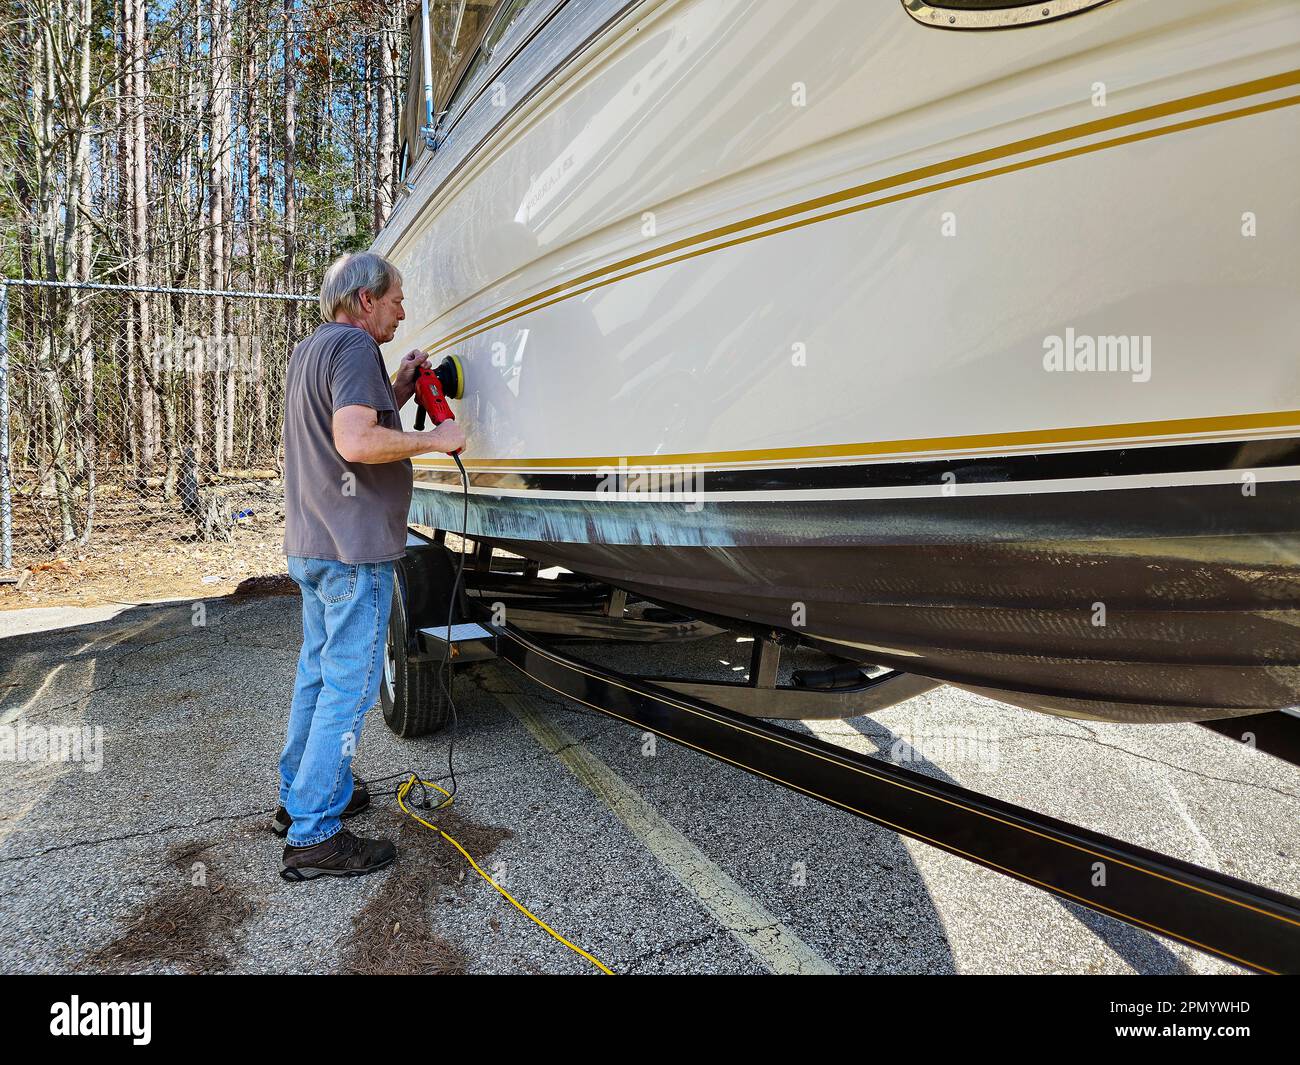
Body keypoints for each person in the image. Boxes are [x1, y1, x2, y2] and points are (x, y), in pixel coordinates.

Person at [275, 251, 466, 881]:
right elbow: (356, 442)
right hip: (353, 552)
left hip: (312, 545)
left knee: (316, 677)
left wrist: (401, 391)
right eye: (396, 299)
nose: (403, 310)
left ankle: (301, 796)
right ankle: (314, 836)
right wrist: (436, 440)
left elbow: (350, 423)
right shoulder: (356, 350)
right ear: (365, 301)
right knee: (350, 688)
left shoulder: (314, 350)